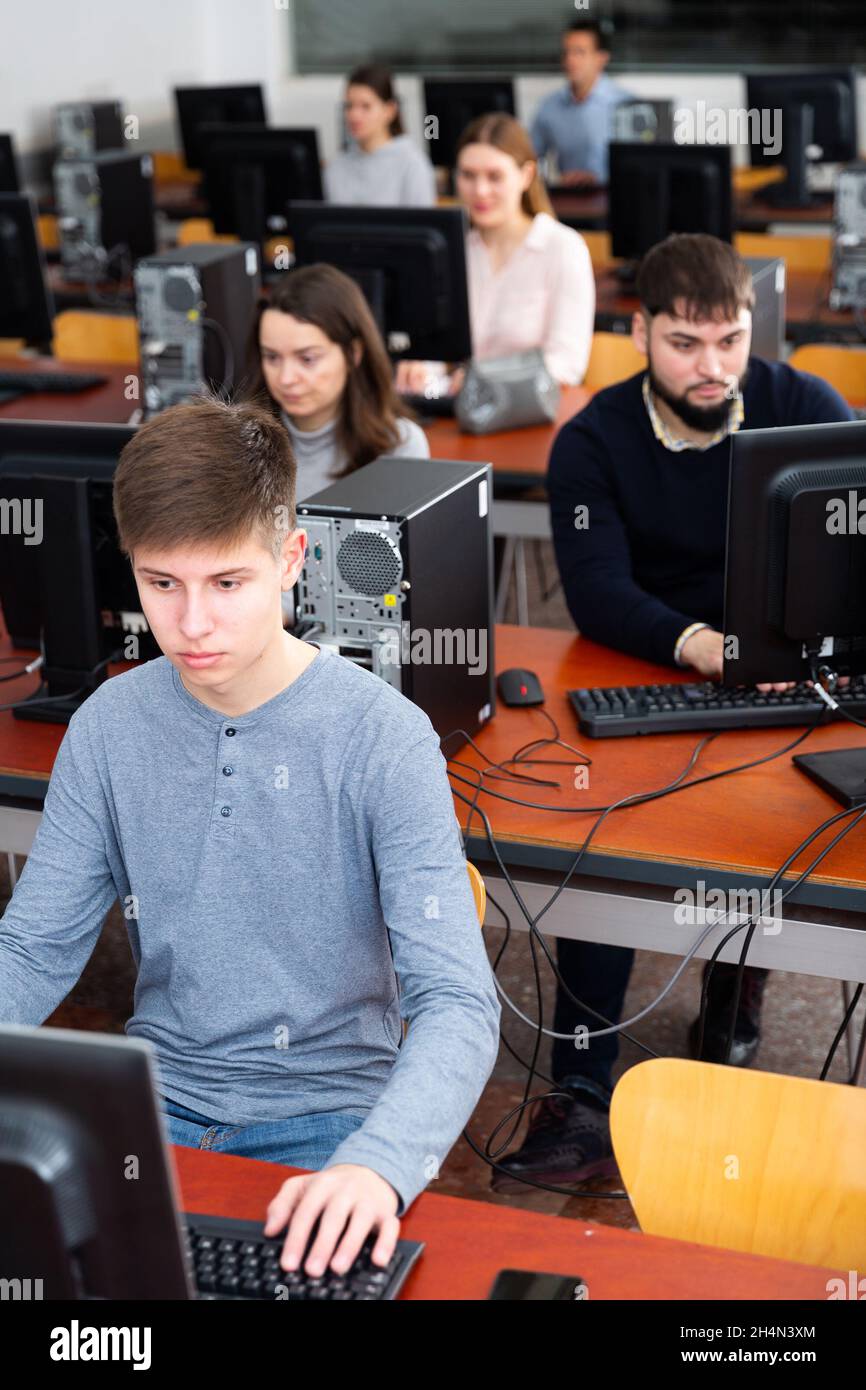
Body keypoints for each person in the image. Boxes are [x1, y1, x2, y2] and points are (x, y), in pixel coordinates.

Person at [0, 397, 501, 1279]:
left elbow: (458, 1003)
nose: (192, 625)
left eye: (227, 584)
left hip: (331, 1123)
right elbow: (36, 949)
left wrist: (375, 1166)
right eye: (163, 584)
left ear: (291, 559)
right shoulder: (110, 727)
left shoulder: (384, 738)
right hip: (149, 1108)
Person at [493, 233, 855, 1194]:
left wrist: (790, 650)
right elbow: (599, 590)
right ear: (640, 331)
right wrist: (705, 646)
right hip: (644, 666)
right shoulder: (593, 439)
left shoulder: (806, 408)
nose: (712, 366)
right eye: (686, 343)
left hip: (788, 677)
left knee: (791, 828)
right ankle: (580, 1089)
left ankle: (734, 997)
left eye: (729, 341)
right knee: (600, 839)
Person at [396, 112, 595, 394]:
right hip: (462, 409)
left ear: (526, 176)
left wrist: (490, 382)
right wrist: (424, 365)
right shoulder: (452, 248)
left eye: (494, 176)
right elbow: (442, 346)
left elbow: (566, 365)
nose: (480, 190)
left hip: (529, 417)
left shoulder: (562, 248)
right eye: (467, 175)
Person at [245, 262, 429, 502]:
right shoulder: (241, 444)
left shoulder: (399, 447)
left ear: (353, 354)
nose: (286, 378)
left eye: (307, 359)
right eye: (272, 357)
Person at [530, 18, 632, 187]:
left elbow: (639, 169)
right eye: (566, 53)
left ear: (602, 58)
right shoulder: (549, 106)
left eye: (579, 52)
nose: (570, 60)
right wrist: (553, 181)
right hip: (569, 200)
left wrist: (600, 178)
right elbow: (529, 159)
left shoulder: (625, 104)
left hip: (616, 198)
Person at [324, 63, 436, 207]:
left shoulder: (412, 164)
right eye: (349, 106)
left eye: (366, 106)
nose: (354, 116)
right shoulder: (337, 166)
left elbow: (423, 224)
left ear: (390, 110)